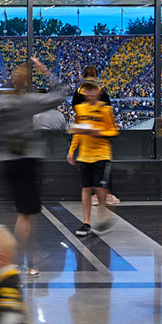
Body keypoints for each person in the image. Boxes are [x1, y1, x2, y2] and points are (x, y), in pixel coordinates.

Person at [0, 58, 61, 277]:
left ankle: (23, 254)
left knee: (21, 212)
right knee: (26, 214)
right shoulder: (27, 102)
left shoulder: (1, 103)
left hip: (7, 161)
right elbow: (60, 95)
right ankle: (24, 259)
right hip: (26, 161)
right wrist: (46, 71)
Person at [67, 80, 118, 235]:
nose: (89, 93)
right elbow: (78, 131)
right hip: (85, 155)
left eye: (92, 90)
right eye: (87, 90)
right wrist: (71, 151)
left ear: (98, 91)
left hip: (101, 153)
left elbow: (113, 131)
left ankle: (102, 214)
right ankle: (86, 222)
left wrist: (100, 133)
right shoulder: (80, 109)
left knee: (99, 187)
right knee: (86, 188)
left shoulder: (104, 110)